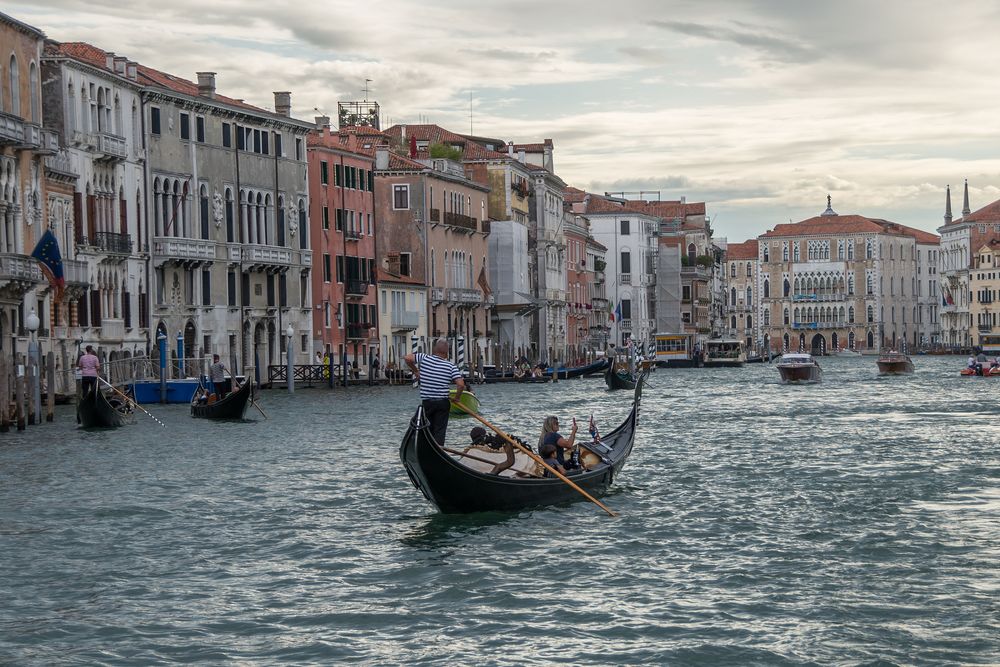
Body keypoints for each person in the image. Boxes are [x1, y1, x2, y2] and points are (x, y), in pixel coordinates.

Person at [405, 339, 465, 446]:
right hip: (442, 402)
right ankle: (439, 449)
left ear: (434, 350)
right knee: (439, 431)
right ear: (447, 353)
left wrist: (416, 371)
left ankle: (427, 447)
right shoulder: (451, 366)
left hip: (427, 402)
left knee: (427, 428)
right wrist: (457, 398)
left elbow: (407, 358)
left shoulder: (424, 358)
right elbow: (460, 385)